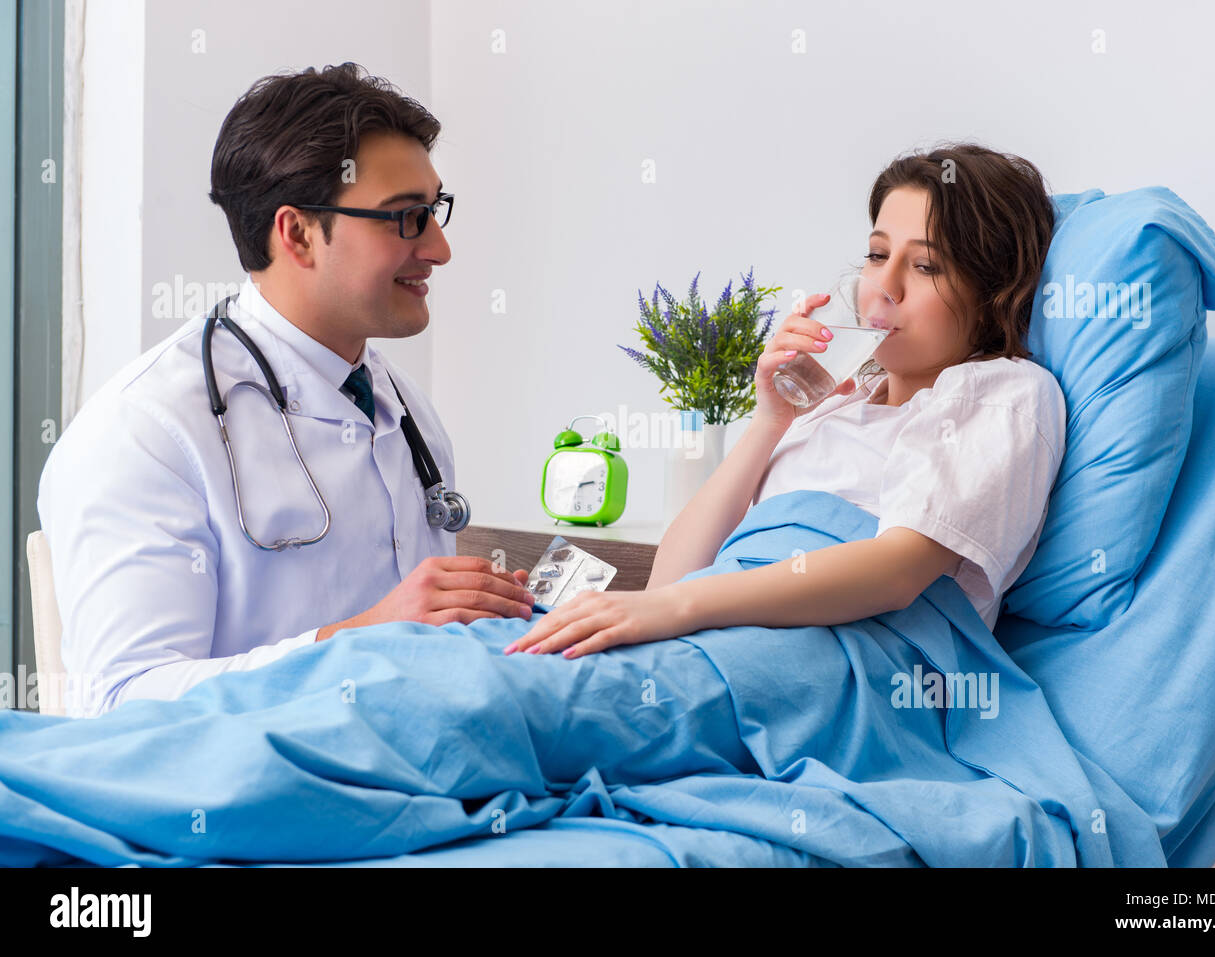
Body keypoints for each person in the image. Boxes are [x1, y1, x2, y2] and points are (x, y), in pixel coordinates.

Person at [36, 63, 536, 718]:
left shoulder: (405, 408)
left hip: (417, 772)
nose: (439, 249)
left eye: (434, 211)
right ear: (296, 232)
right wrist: (362, 638)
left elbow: (421, 645)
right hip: (248, 803)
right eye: (405, 219)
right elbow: (119, 705)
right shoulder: (146, 432)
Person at [507, 143, 1066, 656]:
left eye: (925, 266)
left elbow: (897, 573)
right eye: (876, 255)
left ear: (993, 297)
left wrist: (675, 610)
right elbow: (670, 579)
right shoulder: (833, 403)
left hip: (845, 660)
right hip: (721, 635)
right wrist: (769, 422)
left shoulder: (1002, 392)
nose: (884, 287)